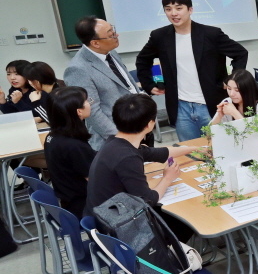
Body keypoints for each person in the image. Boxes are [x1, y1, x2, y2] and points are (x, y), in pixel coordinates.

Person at [135, 0, 249, 142]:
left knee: (221, 148)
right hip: (181, 107)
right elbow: (142, 60)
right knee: (191, 151)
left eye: (178, 8)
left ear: (190, 10)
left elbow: (240, 53)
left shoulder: (211, 34)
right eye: (168, 9)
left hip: (212, 104)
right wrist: (149, 84)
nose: (173, 13)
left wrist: (231, 81)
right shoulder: (160, 36)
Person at [84, 93, 204, 218]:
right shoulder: (127, 157)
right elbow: (148, 200)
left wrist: (192, 149)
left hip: (102, 215)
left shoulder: (115, 143)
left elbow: (157, 153)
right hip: (116, 225)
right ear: (150, 124)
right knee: (186, 214)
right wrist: (168, 178)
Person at [63, 16, 143, 150]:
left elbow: (127, 86)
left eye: (113, 30)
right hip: (114, 140)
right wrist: (121, 138)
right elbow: (92, 113)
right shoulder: (77, 69)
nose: (116, 35)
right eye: (111, 34)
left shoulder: (111, 52)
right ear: (95, 43)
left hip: (138, 128)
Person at [43, 86, 96, 218]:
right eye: (87, 101)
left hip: (69, 201)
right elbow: (96, 181)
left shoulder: (53, 136)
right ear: (79, 111)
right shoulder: (73, 145)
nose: (90, 103)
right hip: (85, 207)